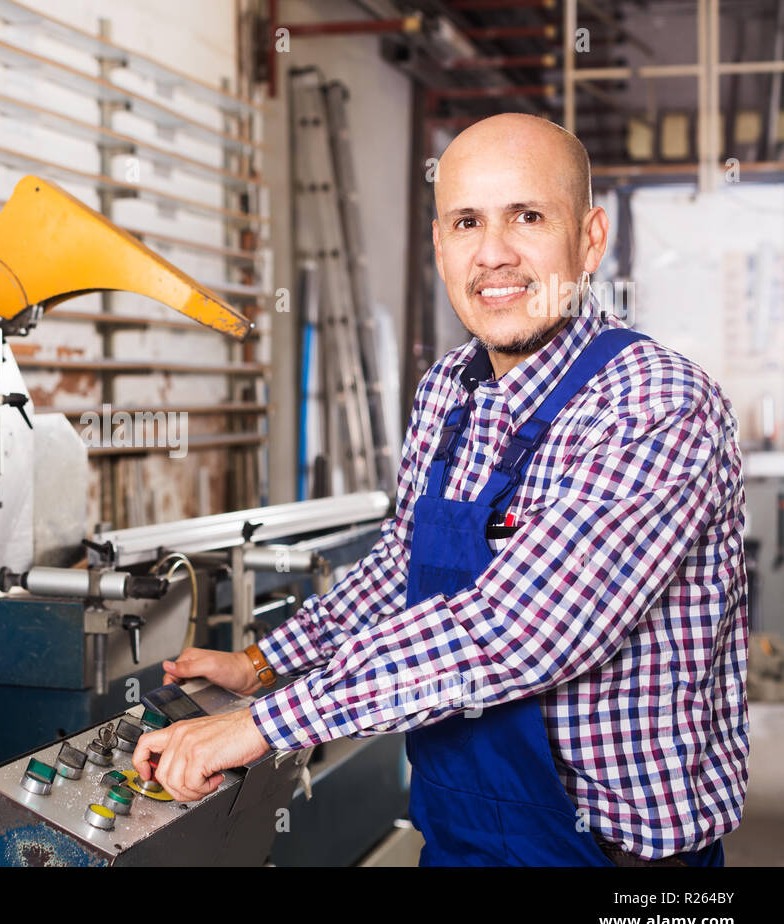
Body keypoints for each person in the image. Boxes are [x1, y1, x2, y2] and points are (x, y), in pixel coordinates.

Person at [131, 112, 749, 866]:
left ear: (589, 239)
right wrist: (262, 666)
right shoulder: (448, 392)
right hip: (461, 840)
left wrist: (263, 723)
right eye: (466, 222)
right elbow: (401, 568)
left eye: (527, 216)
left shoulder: (655, 404)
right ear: (439, 244)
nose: (494, 254)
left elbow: (523, 629)